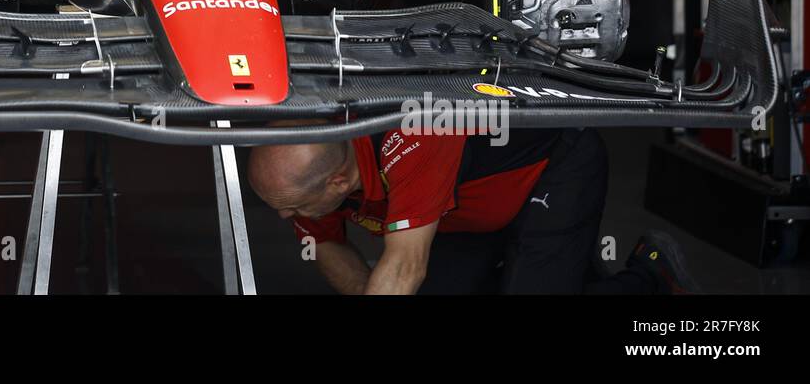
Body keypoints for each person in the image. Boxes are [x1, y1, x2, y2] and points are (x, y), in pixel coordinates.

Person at [248, 126, 698, 294]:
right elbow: (326, 244)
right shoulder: (311, 172)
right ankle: (566, 274)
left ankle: (649, 277)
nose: (289, 219)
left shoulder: (415, 134)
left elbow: (404, 267)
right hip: (459, 216)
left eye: (292, 209)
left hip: (553, 173)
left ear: (339, 181)